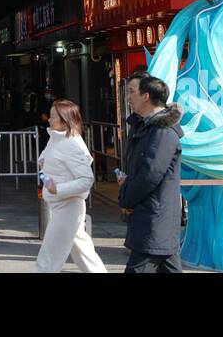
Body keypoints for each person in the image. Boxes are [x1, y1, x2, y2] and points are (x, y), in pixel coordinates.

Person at [119, 73, 183, 273]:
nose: (128, 98)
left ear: (146, 96)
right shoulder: (148, 127)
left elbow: (150, 174)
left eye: (132, 92)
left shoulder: (162, 131)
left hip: (155, 217)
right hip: (153, 216)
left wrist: (127, 195)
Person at [35, 99, 106, 273]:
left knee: (48, 258)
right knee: (85, 255)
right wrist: (43, 164)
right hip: (62, 206)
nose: (49, 120)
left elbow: (86, 179)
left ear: (64, 119)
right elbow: (46, 158)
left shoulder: (72, 143)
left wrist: (58, 189)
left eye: (53, 117)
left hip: (68, 208)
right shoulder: (56, 137)